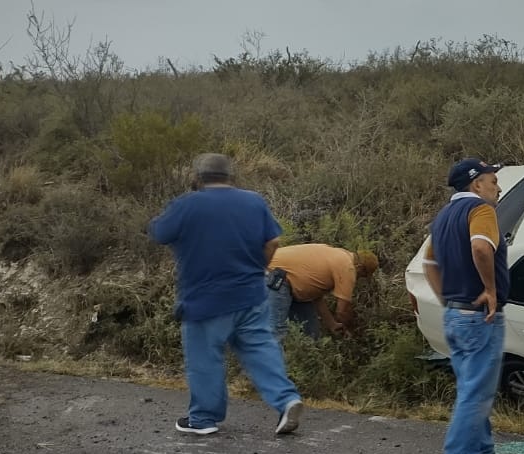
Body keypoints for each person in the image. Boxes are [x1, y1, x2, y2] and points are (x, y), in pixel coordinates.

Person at [148, 153, 304, 437]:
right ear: (230, 176)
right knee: (260, 349)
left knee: (205, 359)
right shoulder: (254, 201)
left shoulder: (187, 204)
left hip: (205, 298)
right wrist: (257, 267)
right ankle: (286, 399)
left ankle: (203, 418)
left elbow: (159, 232)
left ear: (197, 177)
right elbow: (273, 241)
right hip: (251, 294)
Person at [424, 158, 509, 454]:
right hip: (479, 317)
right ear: (476, 184)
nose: (497, 187)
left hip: (455, 314)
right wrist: (490, 289)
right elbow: (481, 249)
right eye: (492, 181)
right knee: (476, 392)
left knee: (473, 388)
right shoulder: (481, 210)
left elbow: (429, 262)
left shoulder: (443, 216)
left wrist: (446, 299)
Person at [267, 245, 381, 340]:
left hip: (290, 284)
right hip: (275, 274)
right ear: (360, 267)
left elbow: (316, 298)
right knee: (275, 330)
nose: (358, 278)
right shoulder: (348, 267)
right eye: (362, 275)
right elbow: (342, 311)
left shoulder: (339, 255)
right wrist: (351, 332)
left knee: (310, 334)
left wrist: (332, 324)